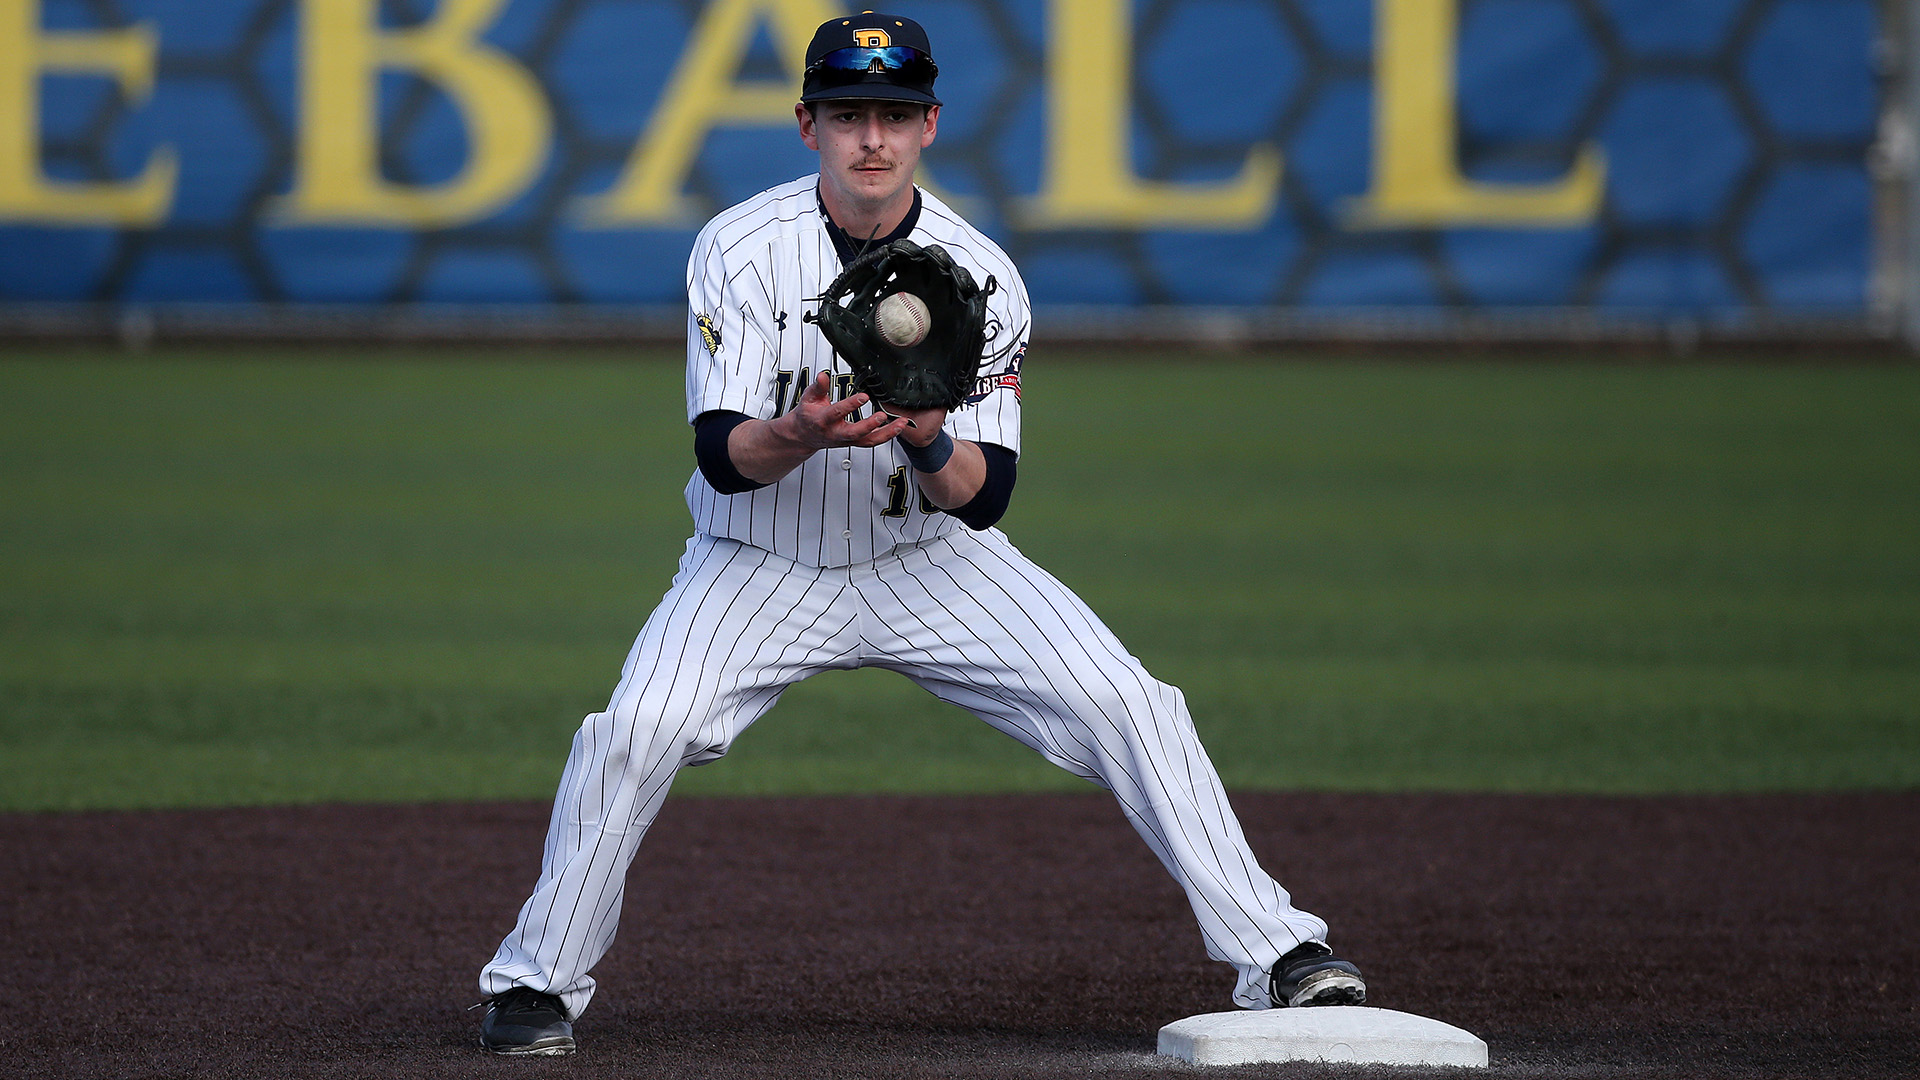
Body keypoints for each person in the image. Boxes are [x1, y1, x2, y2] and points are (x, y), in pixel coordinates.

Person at [475, 12, 1365, 1056]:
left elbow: (984, 500)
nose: (872, 138)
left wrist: (933, 438)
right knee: (635, 730)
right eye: (849, 113)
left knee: (1131, 704)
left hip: (931, 562)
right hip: (759, 561)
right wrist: (800, 433)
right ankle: (535, 981)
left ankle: (1281, 950)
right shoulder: (740, 249)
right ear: (807, 124)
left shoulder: (979, 274)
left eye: (894, 116)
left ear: (930, 125)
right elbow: (722, 455)